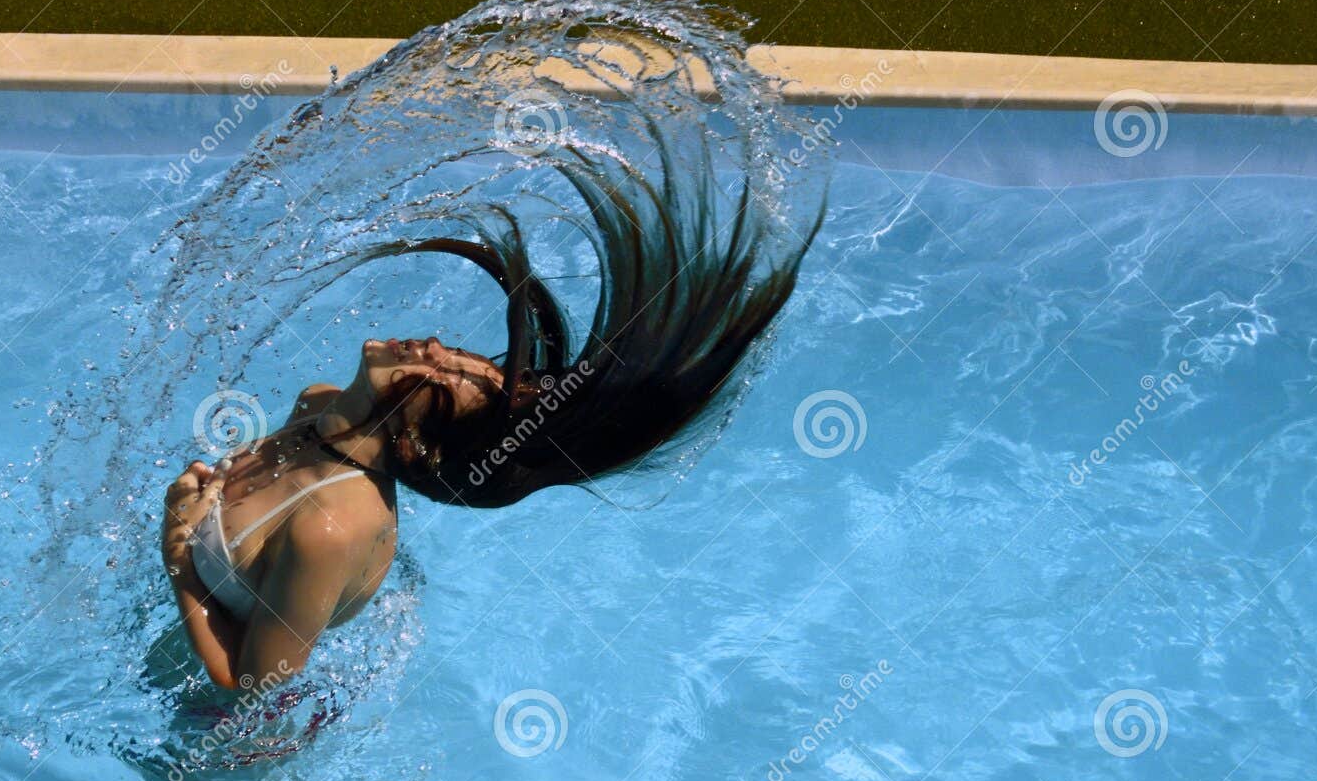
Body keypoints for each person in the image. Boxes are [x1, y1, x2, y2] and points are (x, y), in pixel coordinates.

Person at [162, 150, 822, 690]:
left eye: (445, 379)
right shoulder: (317, 407)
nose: (435, 349)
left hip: (244, 752)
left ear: (417, 438)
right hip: (188, 646)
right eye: (462, 359)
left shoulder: (333, 528)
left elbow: (253, 689)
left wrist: (180, 560)